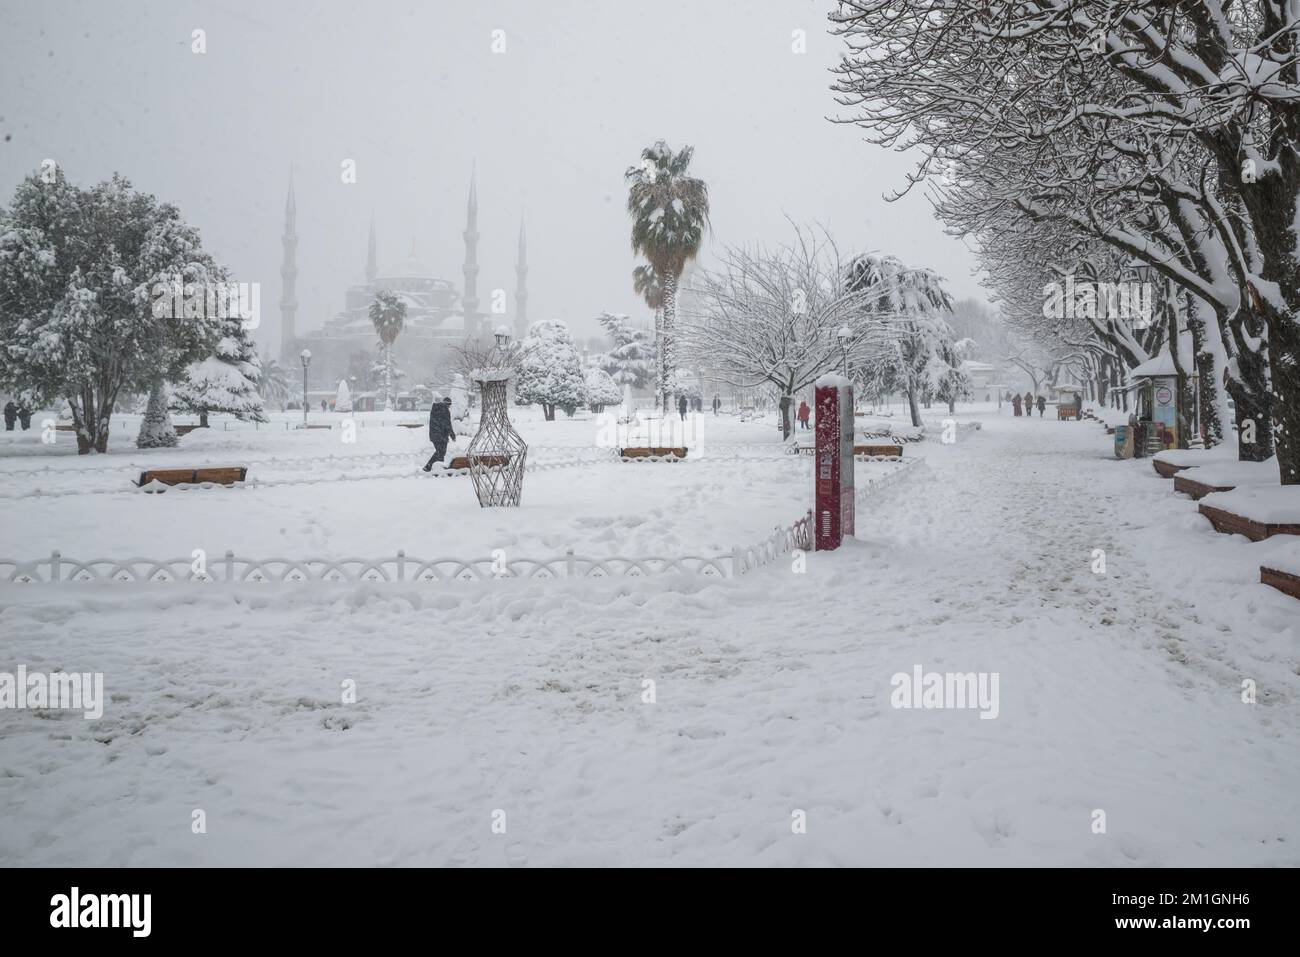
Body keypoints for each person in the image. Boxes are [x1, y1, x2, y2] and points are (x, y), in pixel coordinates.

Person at [424, 395, 456, 471]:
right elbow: (447, 424)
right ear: (448, 404)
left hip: (434, 435)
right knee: (441, 453)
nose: (449, 407)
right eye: (449, 405)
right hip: (442, 436)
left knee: (440, 452)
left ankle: (434, 467)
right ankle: (431, 467)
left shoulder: (435, 409)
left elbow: (439, 422)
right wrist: (452, 435)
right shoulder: (445, 410)